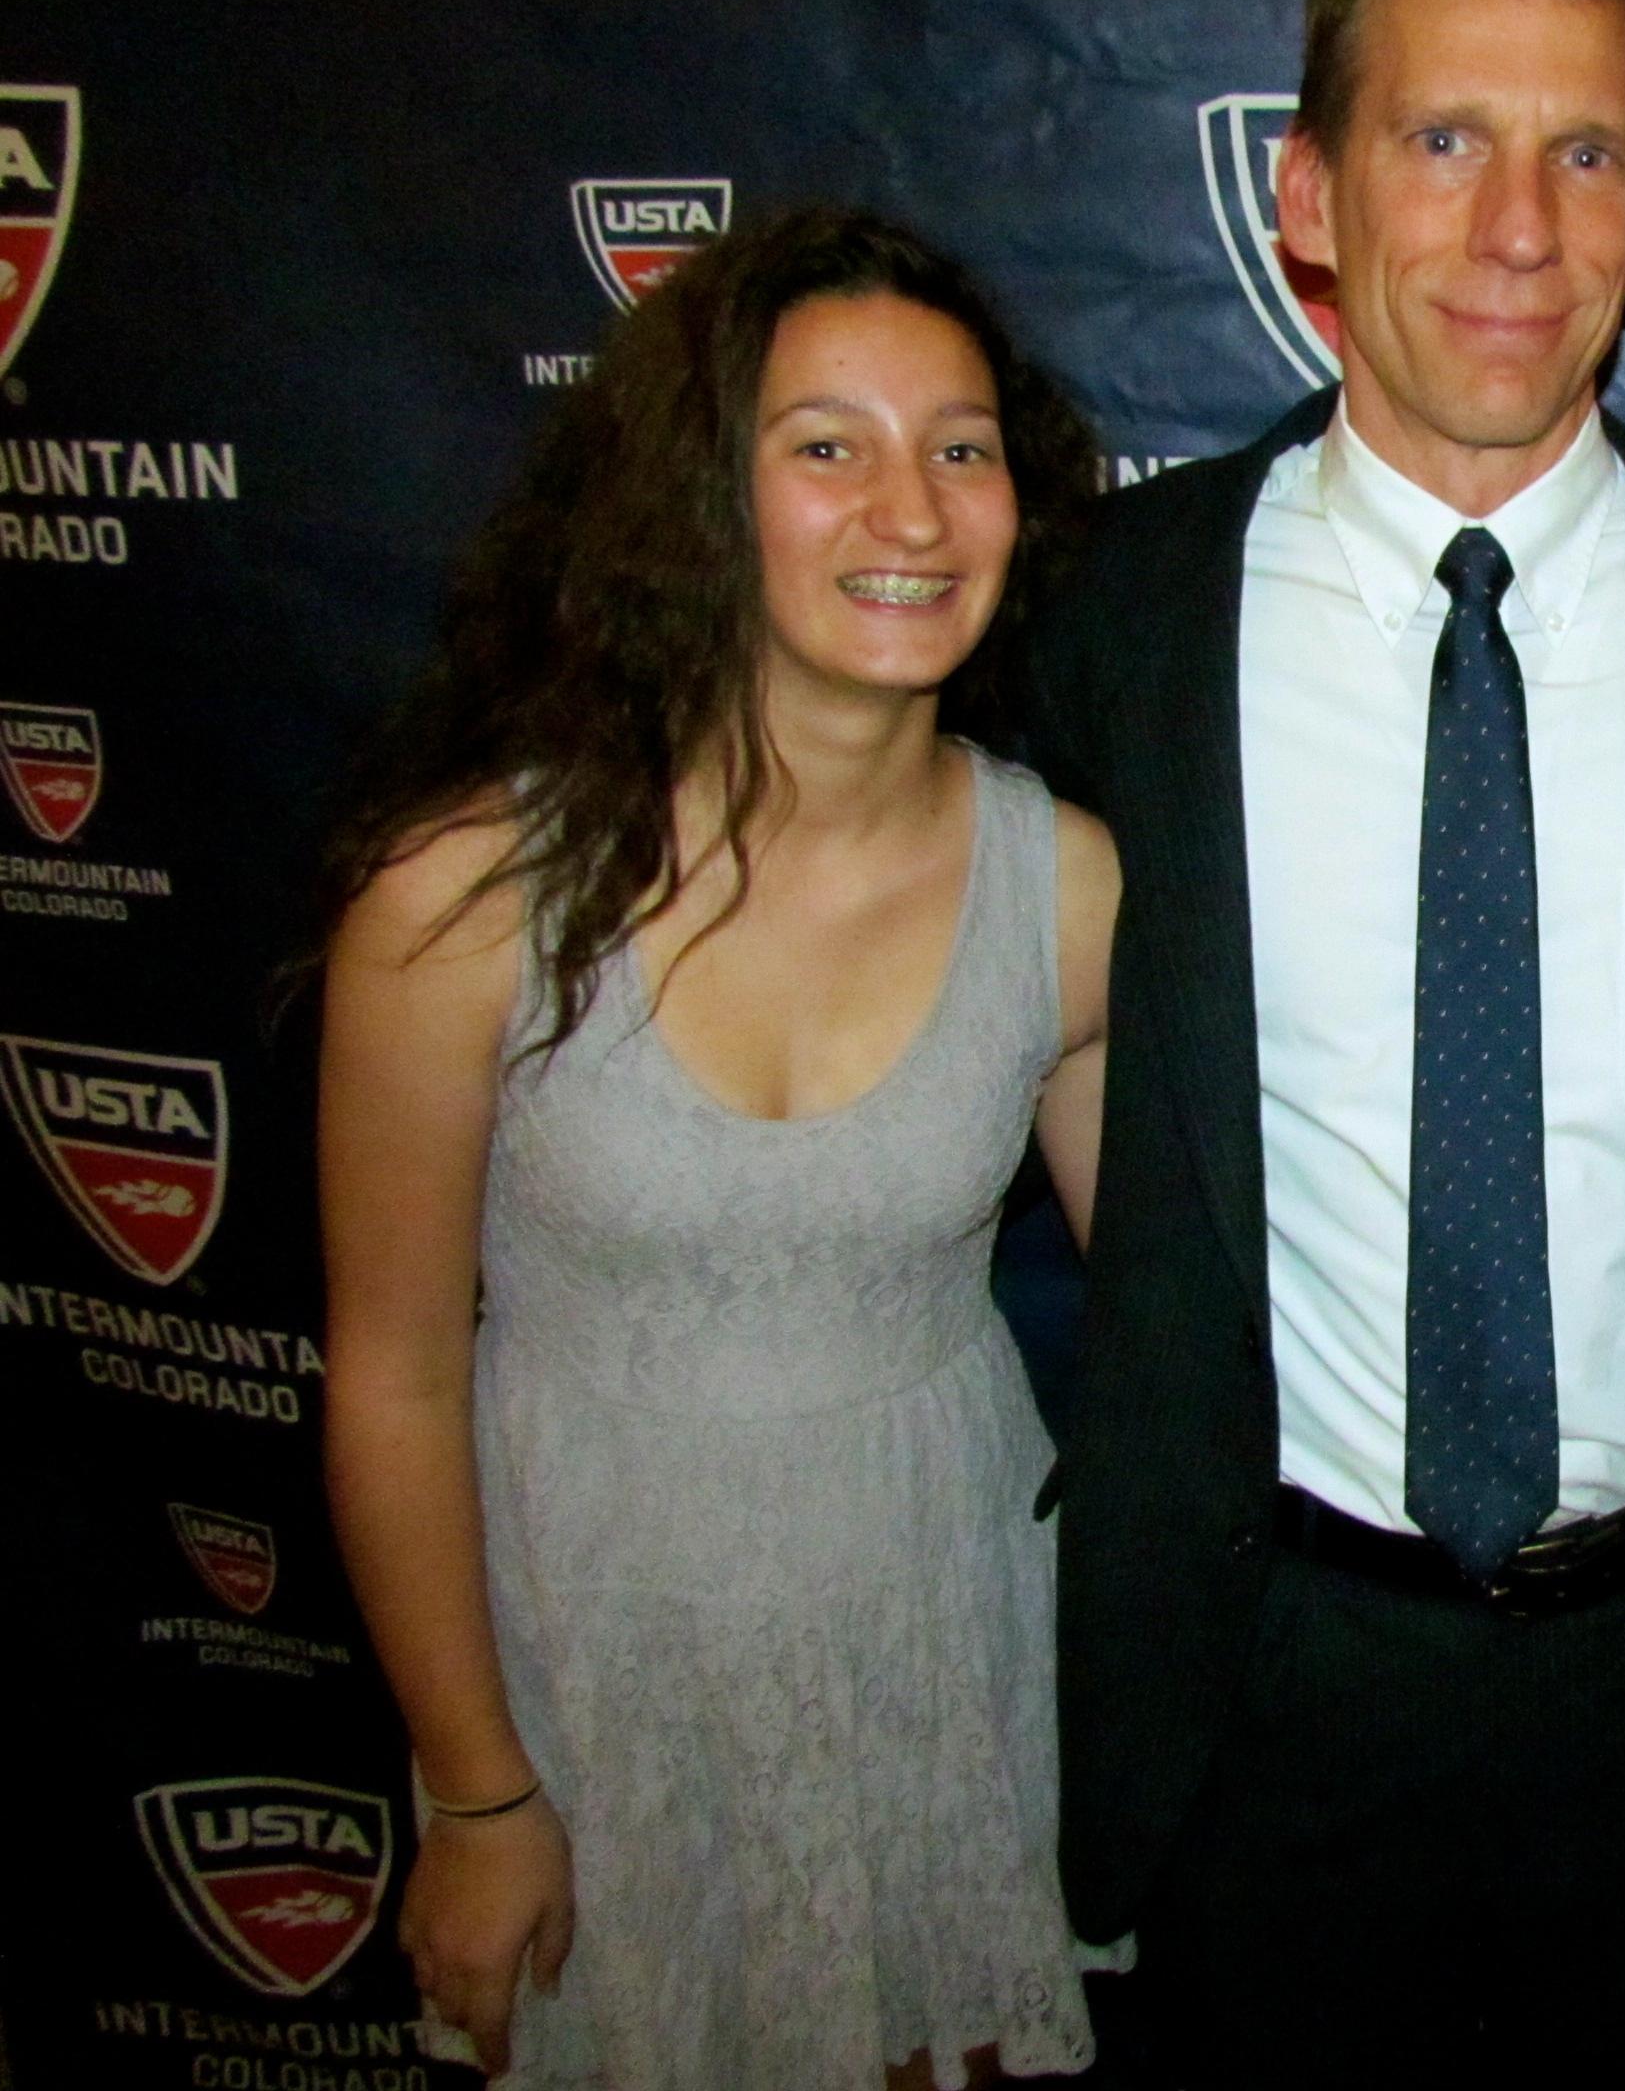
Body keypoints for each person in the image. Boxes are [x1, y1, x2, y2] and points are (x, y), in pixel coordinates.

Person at [1016, 0, 1625, 2089]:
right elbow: (1062, 1053)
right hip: (1277, 1693)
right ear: (1310, 198)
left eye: (1586, 149)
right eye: (1446, 141)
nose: (1521, 226)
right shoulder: (1113, 611)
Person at [317, 208, 1116, 2090]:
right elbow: (397, 1379)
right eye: (825, 446)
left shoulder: (1067, 889)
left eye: (962, 447)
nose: (909, 511)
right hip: (586, 1698)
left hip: (938, 1667)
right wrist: (478, 1790)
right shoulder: (461, 901)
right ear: (701, 495)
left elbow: (1180, 1314)